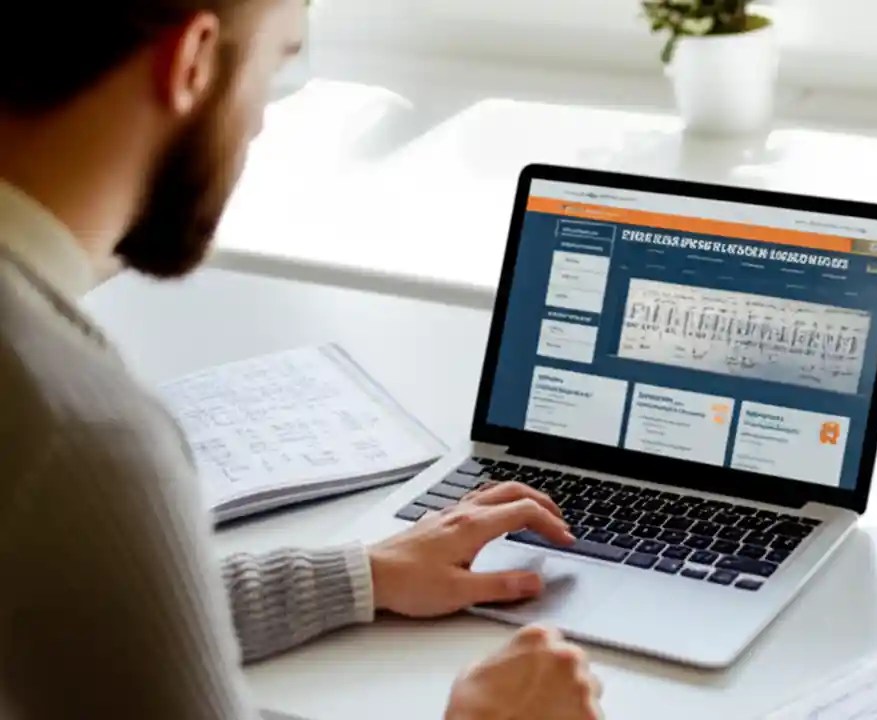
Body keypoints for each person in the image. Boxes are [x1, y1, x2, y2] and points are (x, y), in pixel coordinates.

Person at [0, 1, 603, 718]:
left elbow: (88, 609)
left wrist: (359, 575)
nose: (257, 123)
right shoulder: (77, 436)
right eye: (275, 67)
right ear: (191, 62)